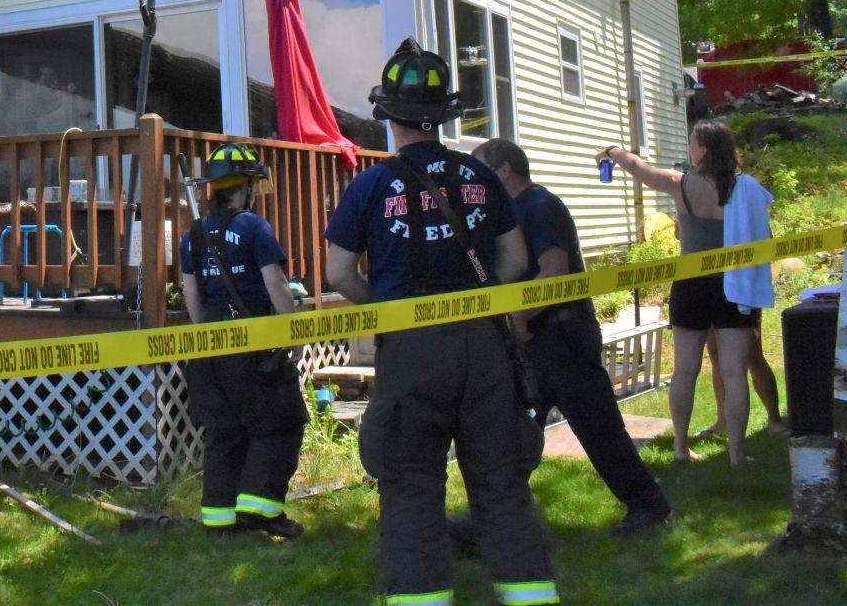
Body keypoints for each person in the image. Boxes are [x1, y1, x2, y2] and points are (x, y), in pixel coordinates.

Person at [326, 40, 558, 606]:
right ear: (445, 114)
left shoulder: (372, 185)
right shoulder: (481, 176)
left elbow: (338, 272)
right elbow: (515, 262)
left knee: (410, 487)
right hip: (484, 349)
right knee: (501, 484)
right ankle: (531, 597)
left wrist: (384, 307)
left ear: (387, 114)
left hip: (410, 353)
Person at [475, 138, 674, 536]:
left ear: (503, 171)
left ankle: (649, 508)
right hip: (533, 342)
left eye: (481, 171)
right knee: (509, 431)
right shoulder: (513, 211)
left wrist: (520, 318)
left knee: (598, 429)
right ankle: (494, 520)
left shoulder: (540, 206)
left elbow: (555, 271)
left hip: (562, 338)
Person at [599, 121, 754, 464]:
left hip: (692, 284)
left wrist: (612, 152)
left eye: (692, 143)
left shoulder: (681, 184)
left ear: (702, 151)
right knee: (733, 370)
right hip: (734, 283)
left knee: (685, 369)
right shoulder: (744, 188)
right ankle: (737, 454)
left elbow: (639, 168)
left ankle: (681, 447)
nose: (689, 148)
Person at [179, 143, 307, 539]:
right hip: (253, 347)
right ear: (246, 187)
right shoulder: (255, 226)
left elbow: (191, 293)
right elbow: (275, 282)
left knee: (224, 433)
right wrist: (292, 332)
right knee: (280, 424)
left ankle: (220, 520)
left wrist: (207, 338)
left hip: (211, 352)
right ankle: (261, 511)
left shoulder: (194, 234)